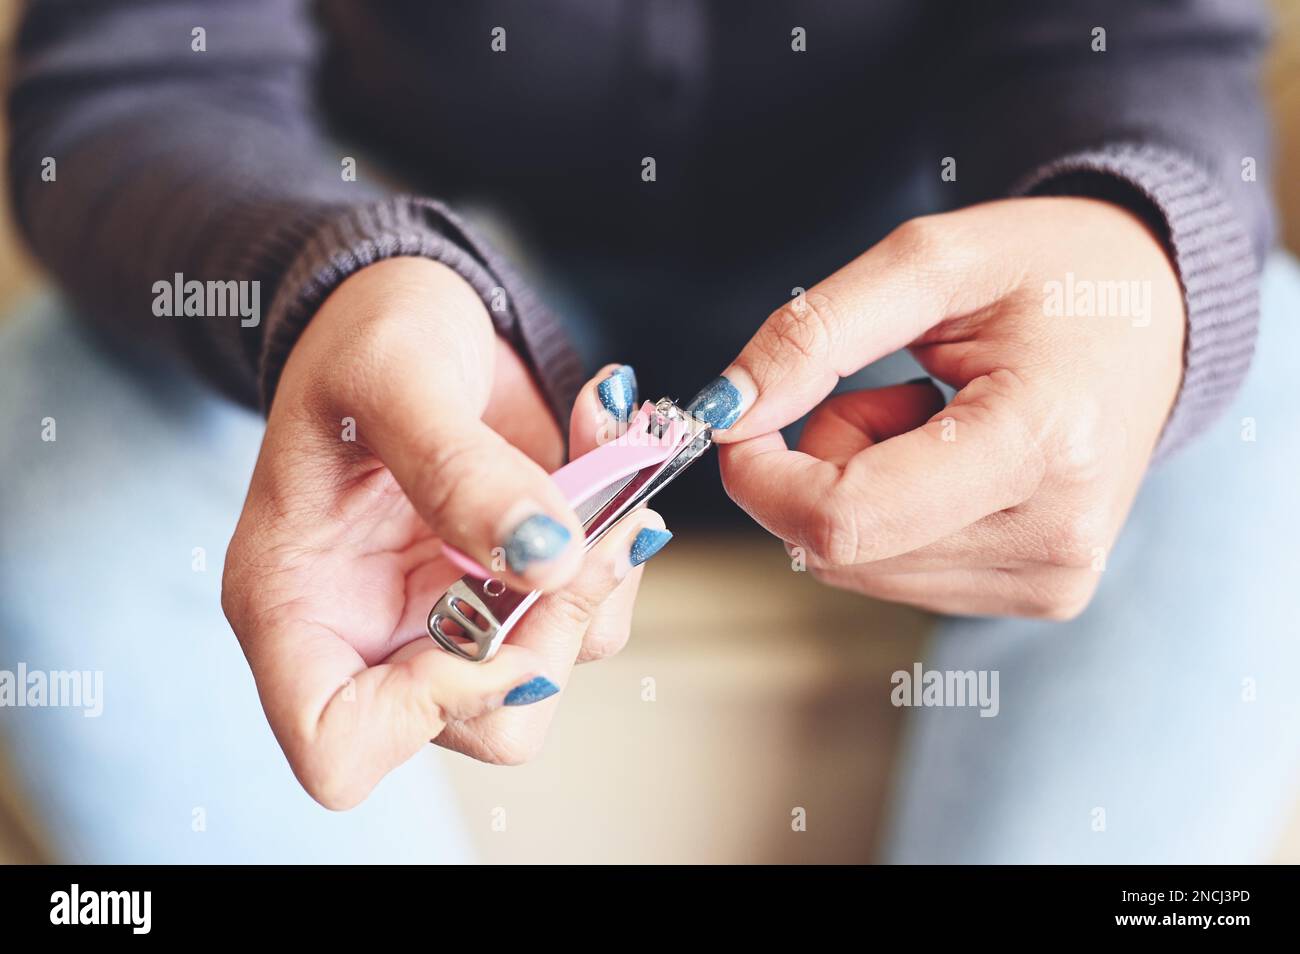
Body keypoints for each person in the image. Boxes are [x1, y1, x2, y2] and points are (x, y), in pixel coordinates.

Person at [3, 0, 1296, 862]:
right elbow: (135, 77)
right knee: (54, 416)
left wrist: (1131, 245)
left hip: (921, 304)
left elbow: (1142, 43)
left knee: (1258, 369)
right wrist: (336, 274)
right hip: (422, 289)